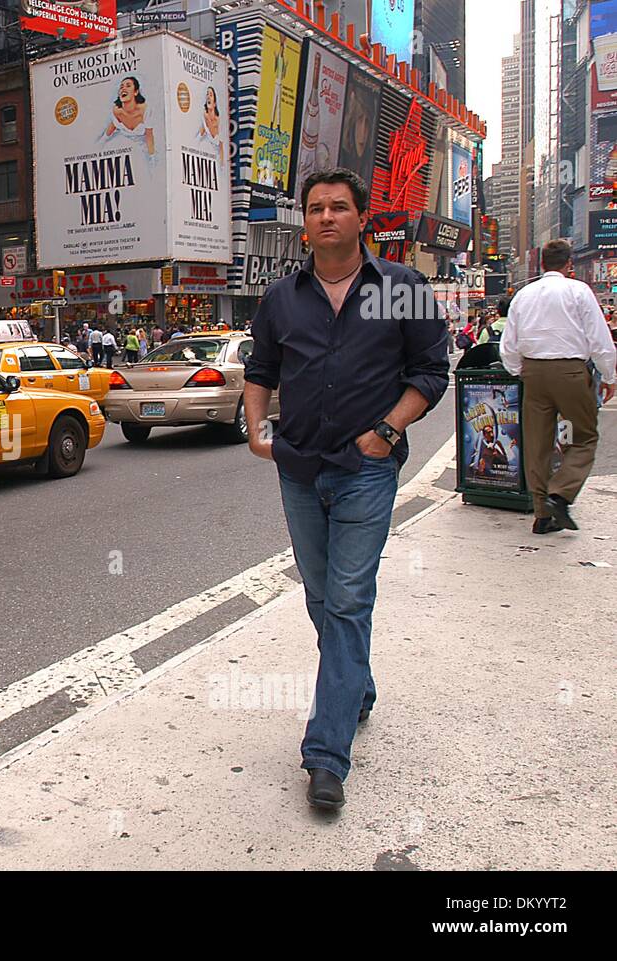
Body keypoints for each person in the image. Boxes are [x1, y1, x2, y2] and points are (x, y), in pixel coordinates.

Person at [243, 168, 448, 812]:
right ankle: (354, 687)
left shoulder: (402, 289)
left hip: (367, 469)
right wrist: (256, 432)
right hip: (298, 468)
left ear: (363, 217)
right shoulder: (282, 298)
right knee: (321, 593)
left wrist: (387, 430)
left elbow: (430, 372)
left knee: (350, 598)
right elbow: (261, 370)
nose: (325, 216)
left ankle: (326, 756)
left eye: (338, 207)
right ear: (304, 222)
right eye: (314, 208)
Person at [500, 239, 617, 534]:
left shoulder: (524, 294)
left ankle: (542, 515)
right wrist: (609, 376)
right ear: (569, 265)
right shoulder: (578, 291)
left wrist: (519, 370)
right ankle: (560, 493)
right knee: (585, 437)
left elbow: (509, 345)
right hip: (570, 371)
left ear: (541, 265)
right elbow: (599, 339)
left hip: (533, 372)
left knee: (537, 444)